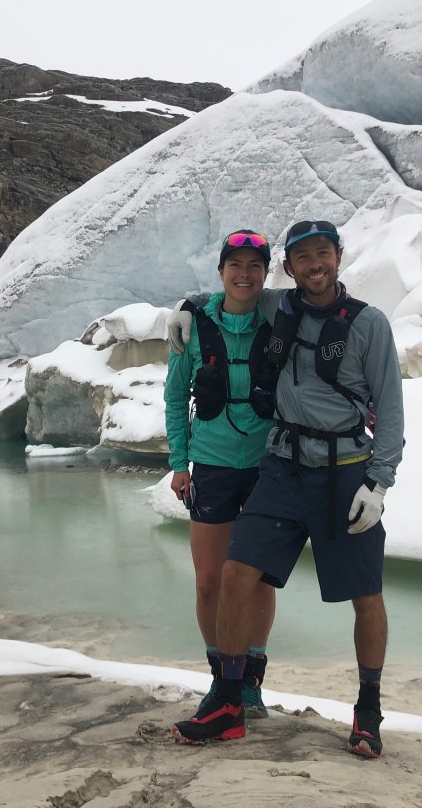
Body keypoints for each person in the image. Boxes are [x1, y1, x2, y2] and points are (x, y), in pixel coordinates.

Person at [167, 219, 404, 758]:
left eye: (323, 254)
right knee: (236, 573)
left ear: (339, 257)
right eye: (303, 257)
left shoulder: (369, 324)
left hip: (345, 470)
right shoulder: (280, 306)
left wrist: (379, 481)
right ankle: (229, 700)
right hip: (281, 465)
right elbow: (233, 292)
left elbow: (390, 410)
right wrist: (185, 306)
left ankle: (368, 711)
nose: (314, 265)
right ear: (290, 267)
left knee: (366, 596)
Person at [164, 230, 279, 721]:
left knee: (257, 581)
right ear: (222, 271)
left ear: (265, 273)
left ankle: (250, 679)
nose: (245, 274)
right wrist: (178, 463)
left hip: (264, 466)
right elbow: (174, 397)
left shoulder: (276, 320)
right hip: (210, 466)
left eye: (255, 265)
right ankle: (219, 674)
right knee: (209, 581)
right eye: (236, 264)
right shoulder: (194, 325)